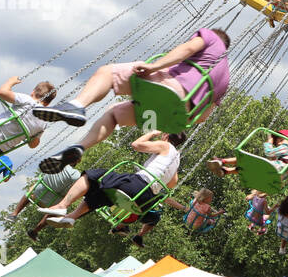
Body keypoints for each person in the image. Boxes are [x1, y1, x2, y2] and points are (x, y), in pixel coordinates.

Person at [36, 28, 232, 173]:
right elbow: (204, 117)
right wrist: (178, 117)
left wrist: (154, 67)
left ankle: (77, 105)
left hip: (171, 88)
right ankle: (78, 148)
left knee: (108, 72)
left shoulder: (211, 37)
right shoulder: (226, 78)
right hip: (175, 117)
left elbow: (188, 48)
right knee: (114, 114)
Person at [38, 131, 185, 236]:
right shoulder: (176, 159)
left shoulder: (165, 146)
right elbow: (172, 184)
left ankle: (62, 205)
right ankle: (72, 216)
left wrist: (151, 133)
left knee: (93, 175)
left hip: (136, 184)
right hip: (145, 201)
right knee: (101, 194)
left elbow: (136, 144)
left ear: (166, 136)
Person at [208, 130, 288, 184]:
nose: (279, 143)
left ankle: (222, 161)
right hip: (278, 179)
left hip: (274, 170)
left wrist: (269, 142)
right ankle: (226, 171)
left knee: (245, 160)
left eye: (281, 140)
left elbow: (269, 153)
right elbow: (274, 159)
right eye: (277, 142)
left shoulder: (287, 147)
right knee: (249, 168)